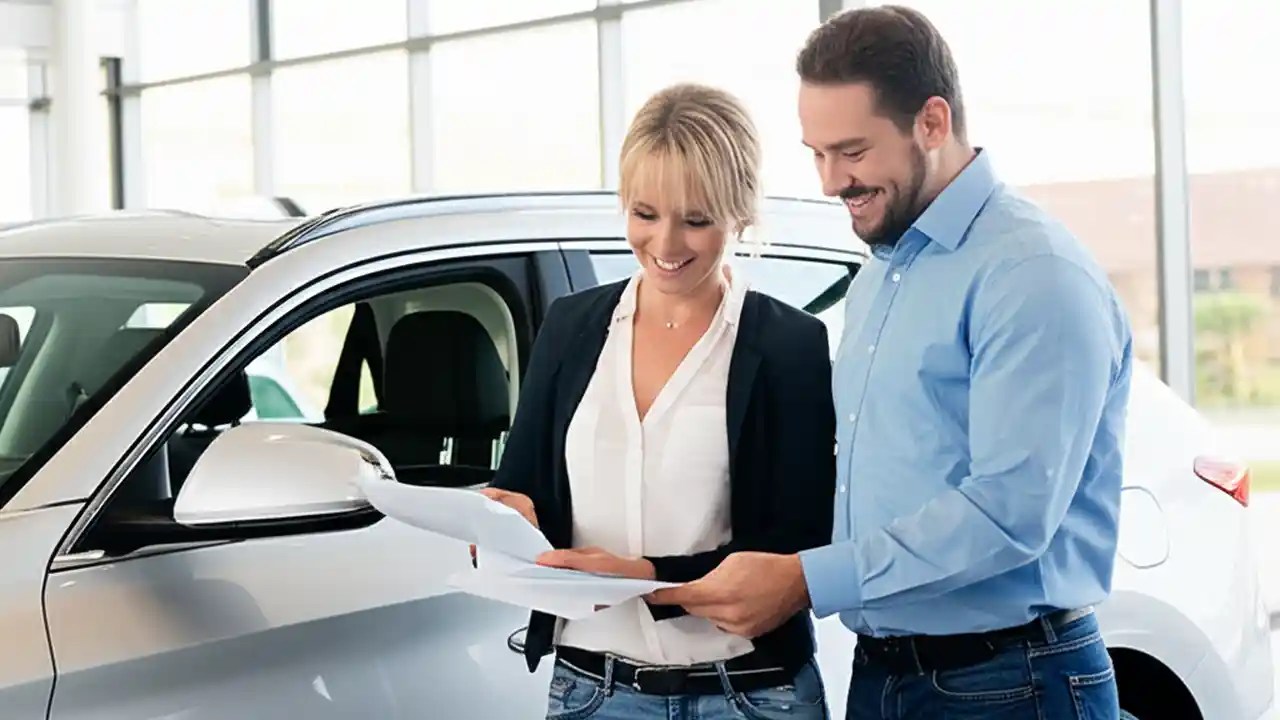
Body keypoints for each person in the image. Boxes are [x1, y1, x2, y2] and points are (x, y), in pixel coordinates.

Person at [649, 6, 1135, 719]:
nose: (828, 181)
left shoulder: (1032, 273)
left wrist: (809, 581)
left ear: (932, 124)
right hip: (885, 675)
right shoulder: (883, 271)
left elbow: (1008, 513)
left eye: (850, 151)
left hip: (1010, 683)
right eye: (815, 153)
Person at [479, 82, 837, 719]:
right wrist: (509, 520)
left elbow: (794, 545)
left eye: (696, 220)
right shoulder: (570, 327)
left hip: (748, 696)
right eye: (645, 214)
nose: (666, 245)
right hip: (594, 692)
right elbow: (527, 484)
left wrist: (643, 574)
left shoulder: (790, 345)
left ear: (740, 212)